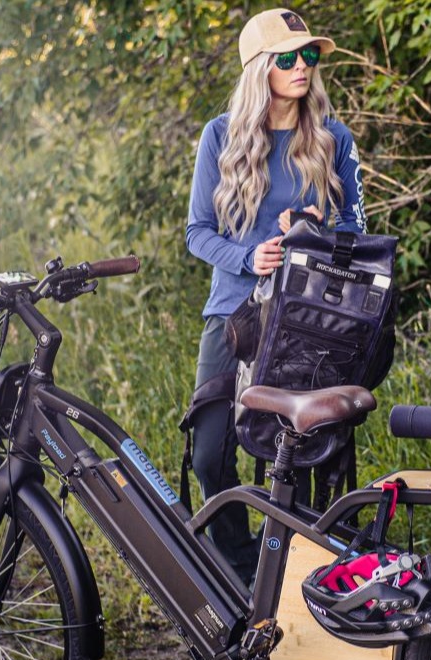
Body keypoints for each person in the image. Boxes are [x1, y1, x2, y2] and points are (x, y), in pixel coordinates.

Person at [184, 8, 366, 585]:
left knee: (301, 459)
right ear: (259, 68)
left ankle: (297, 583)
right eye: (287, 57)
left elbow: (358, 231)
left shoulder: (333, 138)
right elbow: (197, 233)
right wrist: (248, 256)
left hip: (308, 320)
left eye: (308, 55)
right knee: (210, 454)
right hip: (233, 316)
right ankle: (241, 576)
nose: (301, 66)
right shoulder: (221, 136)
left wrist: (317, 229)